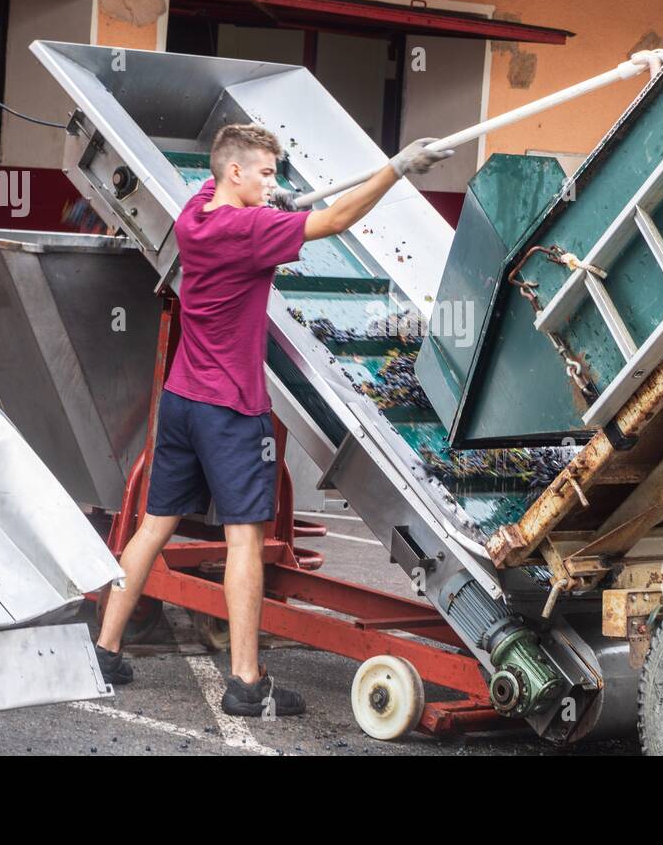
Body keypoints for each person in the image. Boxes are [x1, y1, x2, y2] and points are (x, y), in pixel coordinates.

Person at [94, 123, 451, 716]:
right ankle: (245, 683)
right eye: (265, 172)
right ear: (235, 171)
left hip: (182, 399)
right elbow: (335, 222)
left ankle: (105, 649)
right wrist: (397, 167)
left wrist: (269, 199)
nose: (274, 181)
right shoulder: (248, 229)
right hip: (232, 410)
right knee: (244, 540)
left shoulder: (197, 210)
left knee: (153, 527)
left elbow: (239, 205)